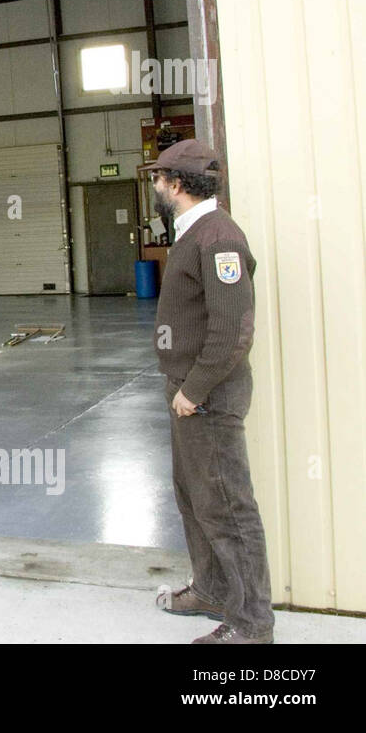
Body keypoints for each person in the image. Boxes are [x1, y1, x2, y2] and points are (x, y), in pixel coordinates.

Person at [143, 139, 274, 644]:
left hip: (208, 397)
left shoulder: (218, 238)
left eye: (158, 178)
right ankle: (212, 590)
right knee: (195, 497)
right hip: (188, 393)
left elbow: (233, 329)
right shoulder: (194, 232)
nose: (154, 185)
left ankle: (250, 624)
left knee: (227, 508)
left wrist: (194, 390)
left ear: (176, 184)